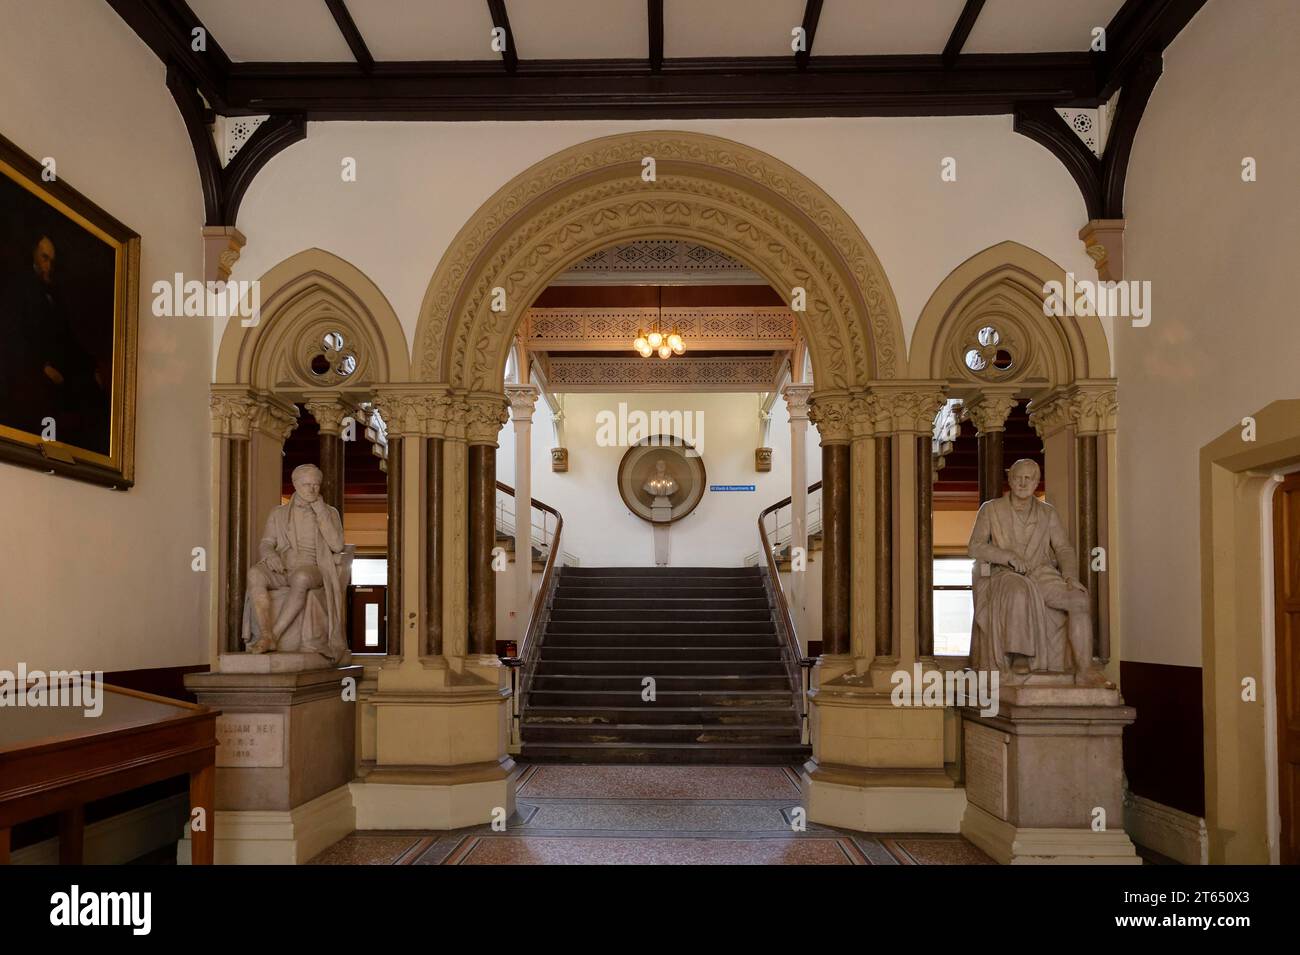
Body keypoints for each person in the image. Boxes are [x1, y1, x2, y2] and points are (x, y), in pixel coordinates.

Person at [967, 458, 1107, 686]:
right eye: (1018, 478)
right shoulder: (991, 509)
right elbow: (975, 546)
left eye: (1028, 479)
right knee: (1018, 591)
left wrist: (1070, 576)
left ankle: (1085, 670)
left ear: (1036, 483)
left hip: (1041, 574)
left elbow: (1063, 548)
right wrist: (1007, 556)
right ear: (1010, 479)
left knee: (1080, 601)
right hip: (1005, 574)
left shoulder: (1047, 513)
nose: (1023, 483)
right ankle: (1020, 656)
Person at [1, 235, 107, 449]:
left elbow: (67, 337)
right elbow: (14, 336)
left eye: (52, 260)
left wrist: (92, 367)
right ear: (34, 256)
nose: (49, 265)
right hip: (29, 372)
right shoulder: (21, 290)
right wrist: (43, 367)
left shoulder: (53, 295)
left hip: (56, 372)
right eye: (44, 258)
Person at [243, 463, 348, 662]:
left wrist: (321, 512)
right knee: (254, 573)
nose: (312, 489)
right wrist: (269, 555)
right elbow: (267, 542)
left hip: (314, 568)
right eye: (306, 484)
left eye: (316, 485)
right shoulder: (279, 513)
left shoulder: (330, 512)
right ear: (295, 484)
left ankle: (274, 635)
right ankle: (265, 633)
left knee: (301, 577)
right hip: (282, 567)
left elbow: (336, 545)